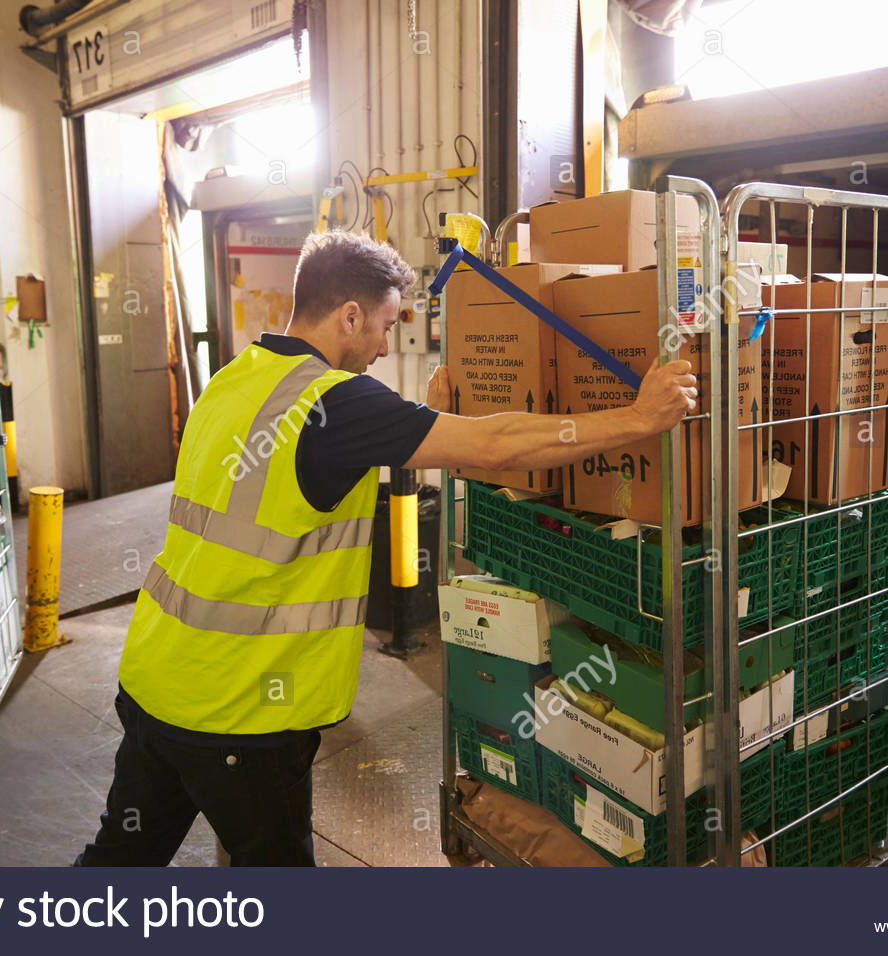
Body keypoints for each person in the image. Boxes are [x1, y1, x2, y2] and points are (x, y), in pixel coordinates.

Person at [74, 231, 697, 867]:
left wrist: (425, 421)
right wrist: (637, 418)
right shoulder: (335, 401)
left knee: (119, 860)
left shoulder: (235, 380)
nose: (385, 345)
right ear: (349, 315)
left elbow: (312, 472)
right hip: (241, 713)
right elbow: (497, 447)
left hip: (157, 681)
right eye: (385, 325)